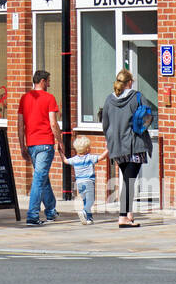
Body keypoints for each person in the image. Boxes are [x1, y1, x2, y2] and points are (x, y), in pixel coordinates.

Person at [101, 68, 151, 228]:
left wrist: (110, 140)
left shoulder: (109, 99)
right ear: (130, 82)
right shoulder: (137, 97)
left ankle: (129, 213)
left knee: (127, 179)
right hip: (134, 145)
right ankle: (122, 216)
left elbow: (105, 125)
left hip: (117, 147)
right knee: (129, 181)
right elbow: (149, 116)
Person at [16, 69, 63, 226]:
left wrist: (22, 146)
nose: (49, 84)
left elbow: (20, 124)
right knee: (39, 179)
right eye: (48, 81)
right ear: (42, 81)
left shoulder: (24, 98)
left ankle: (50, 211)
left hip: (32, 144)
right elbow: (53, 123)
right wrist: (61, 141)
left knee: (42, 178)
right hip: (45, 144)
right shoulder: (49, 98)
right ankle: (32, 215)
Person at [64, 139, 105, 224]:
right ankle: (84, 212)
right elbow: (102, 157)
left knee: (86, 200)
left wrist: (60, 152)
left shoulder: (74, 159)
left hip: (79, 183)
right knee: (91, 200)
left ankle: (89, 218)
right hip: (89, 182)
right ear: (87, 149)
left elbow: (65, 161)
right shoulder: (90, 157)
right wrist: (108, 149)